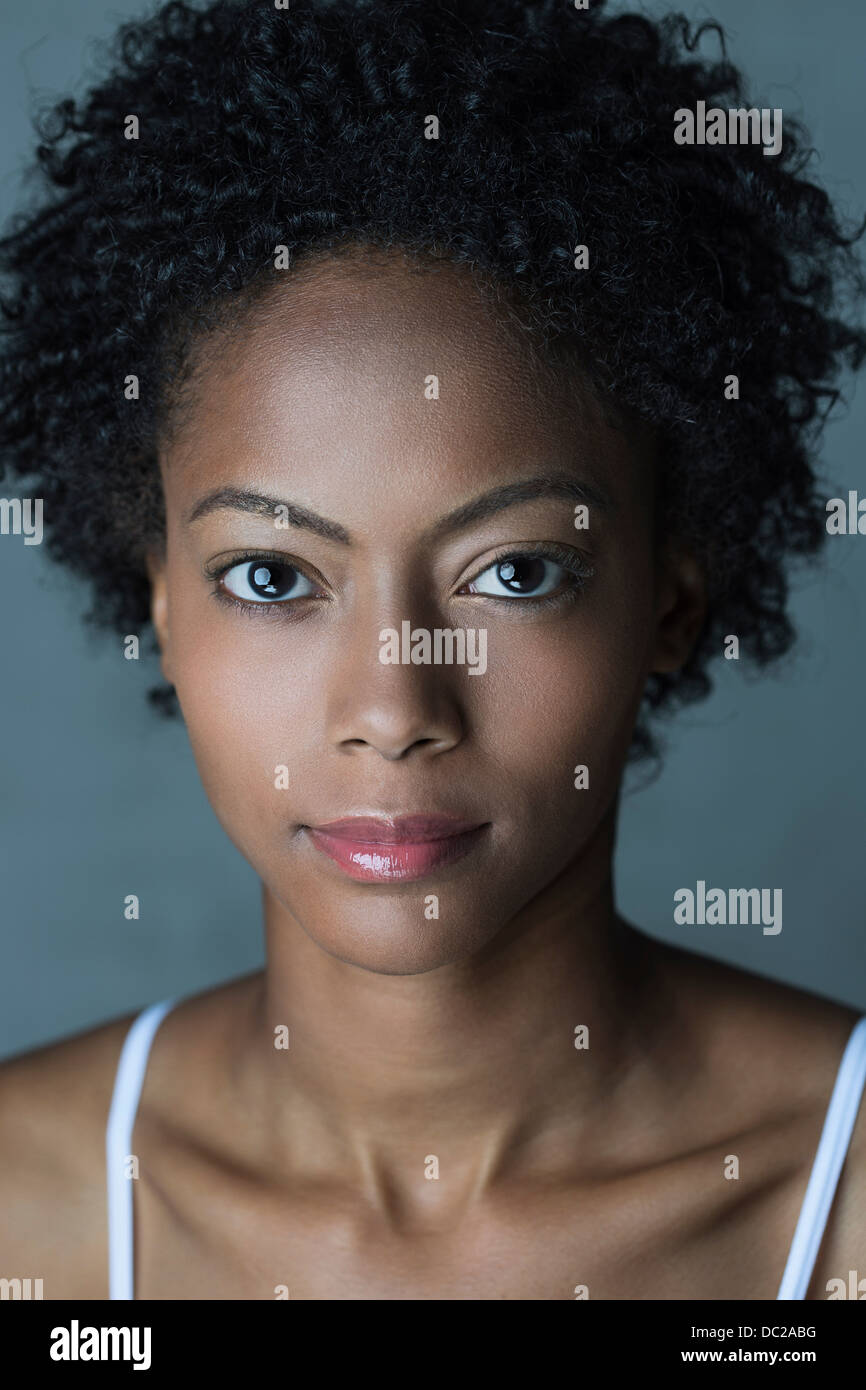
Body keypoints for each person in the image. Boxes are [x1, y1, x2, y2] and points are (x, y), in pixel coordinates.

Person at [1, 0, 865, 1300]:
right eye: (272, 575)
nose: (393, 706)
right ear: (160, 599)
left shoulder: (838, 1202)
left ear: (671, 595)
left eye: (513, 571)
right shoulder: (24, 1206)